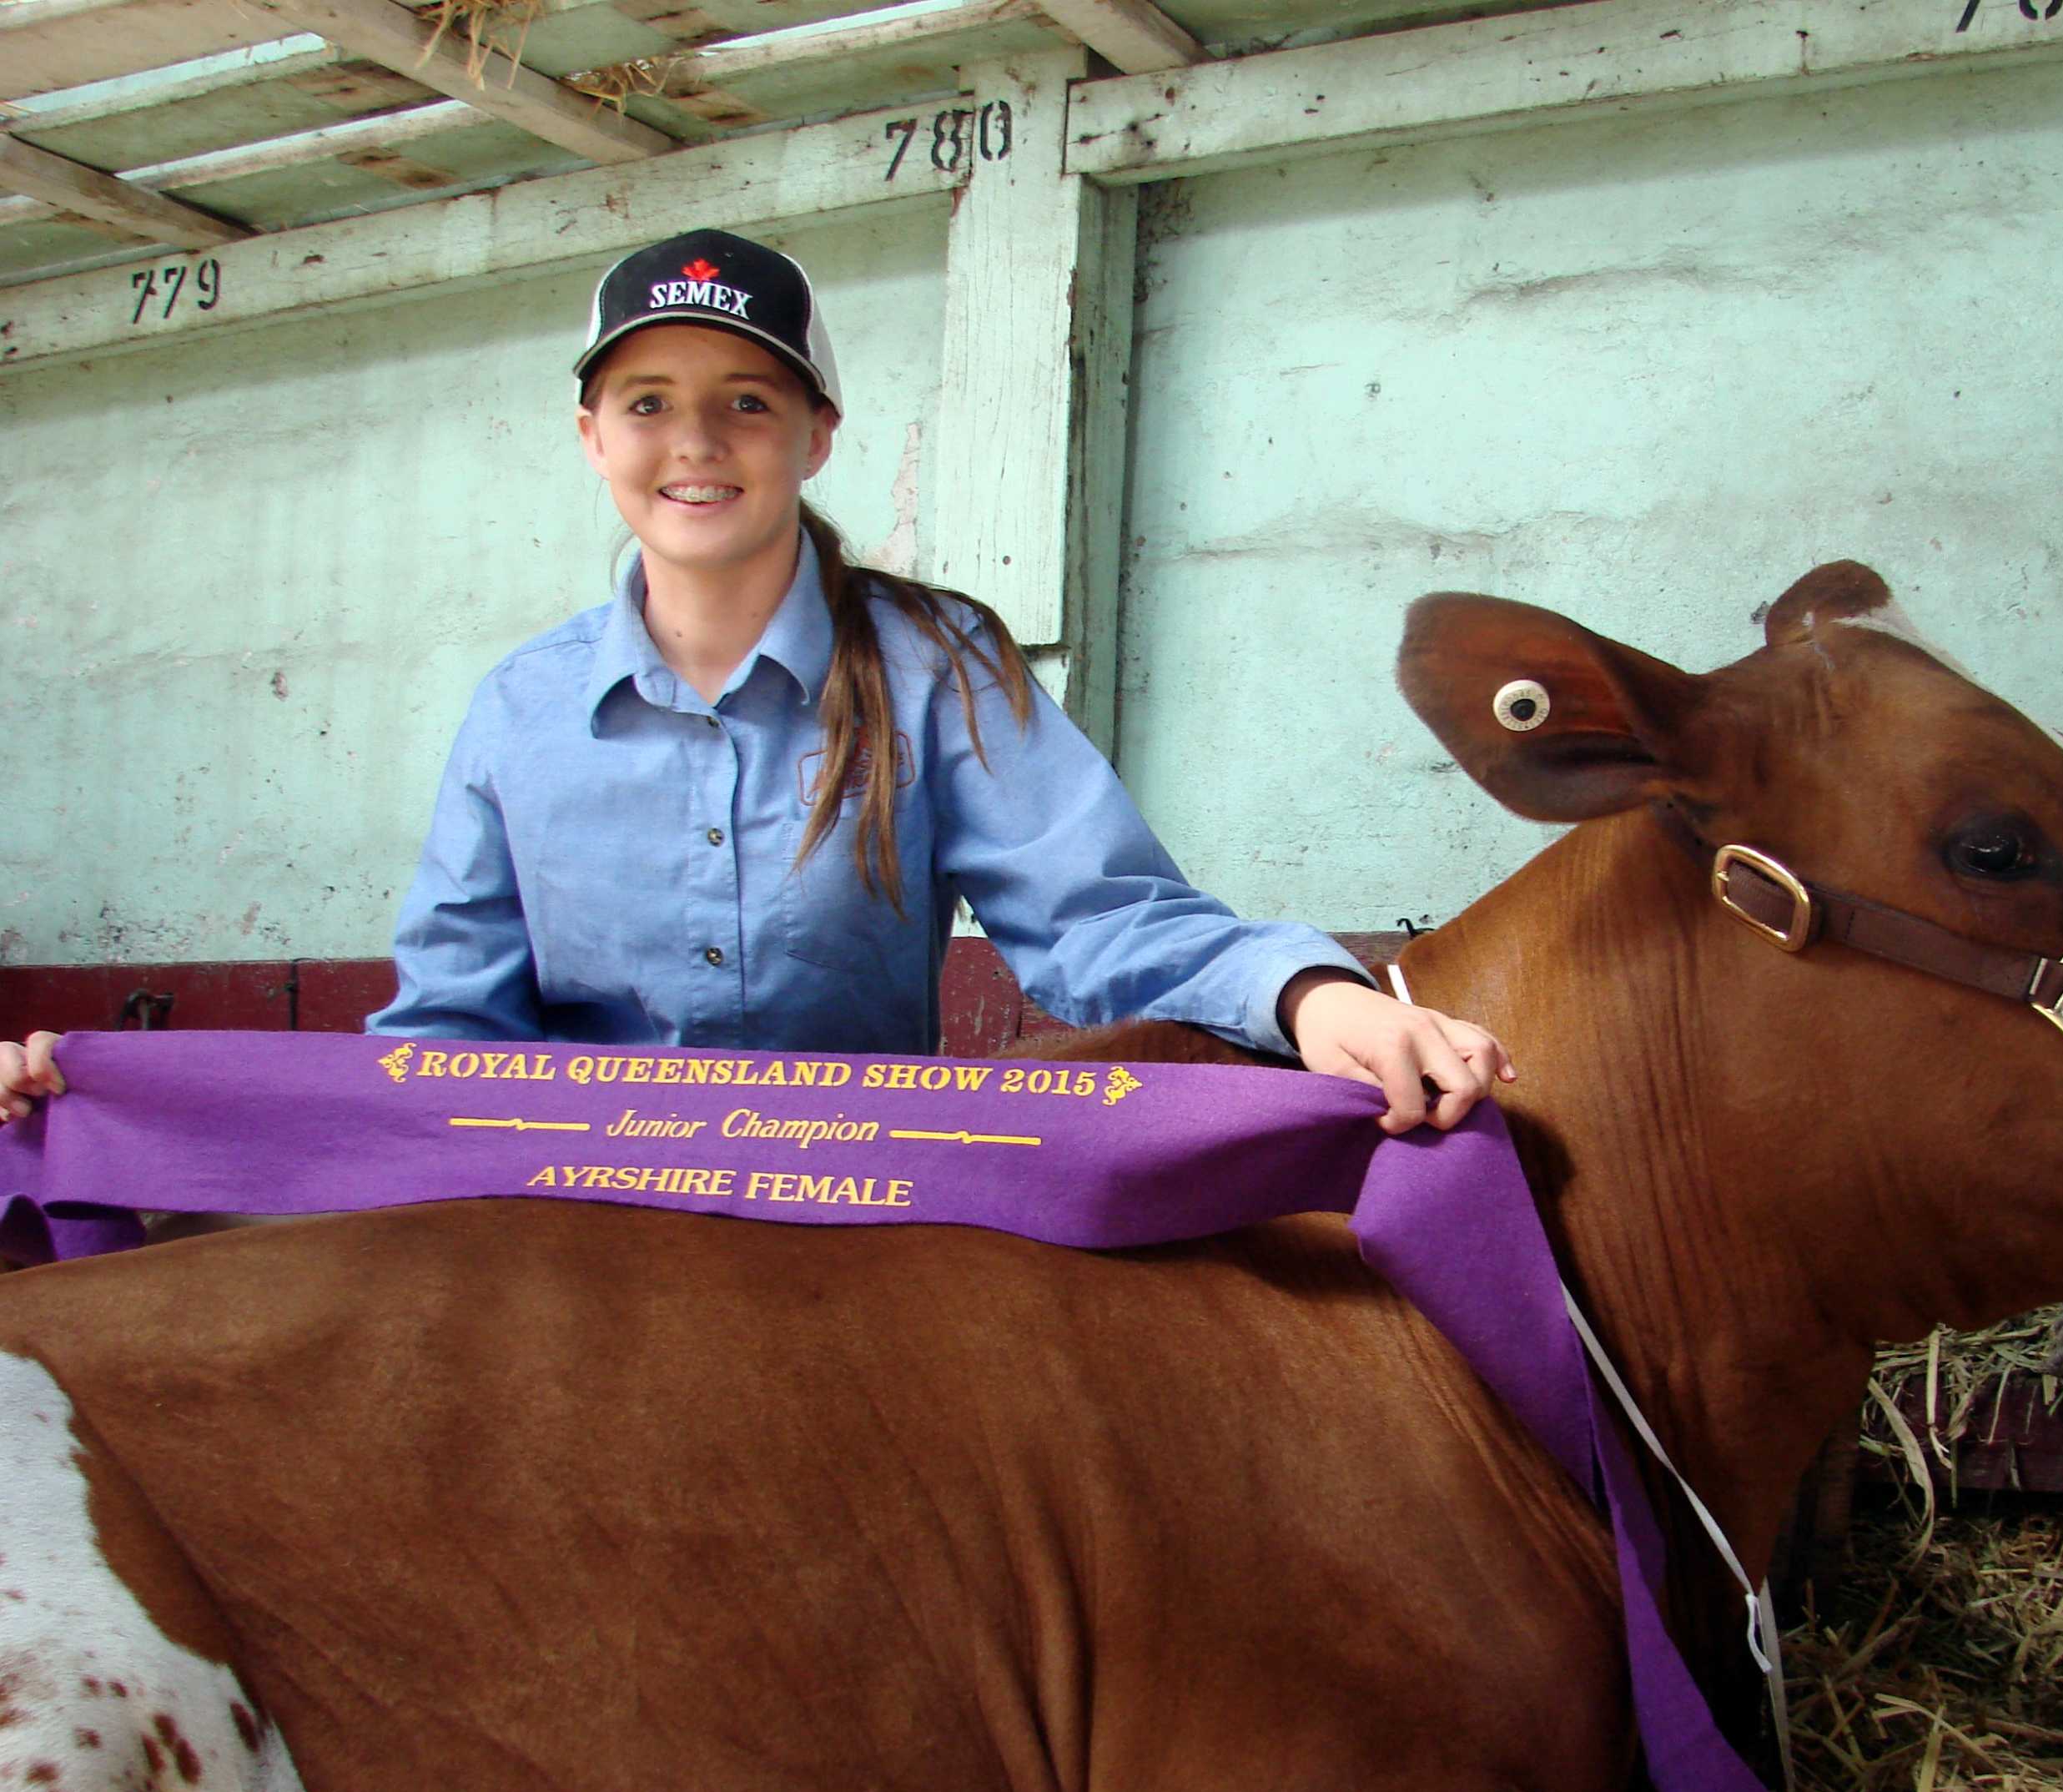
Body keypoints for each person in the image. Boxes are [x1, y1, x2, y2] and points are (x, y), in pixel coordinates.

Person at [3, 229, 1507, 1137]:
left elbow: (1103, 924)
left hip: (857, 1235)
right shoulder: (519, 716)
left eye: (746, 403)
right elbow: (447, 1037)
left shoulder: (937, 670)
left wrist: (1308, 997)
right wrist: (125, 1101)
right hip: (572, 1235)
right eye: (647, 403)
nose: (696, 444)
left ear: (816, 434)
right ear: (593, 437)